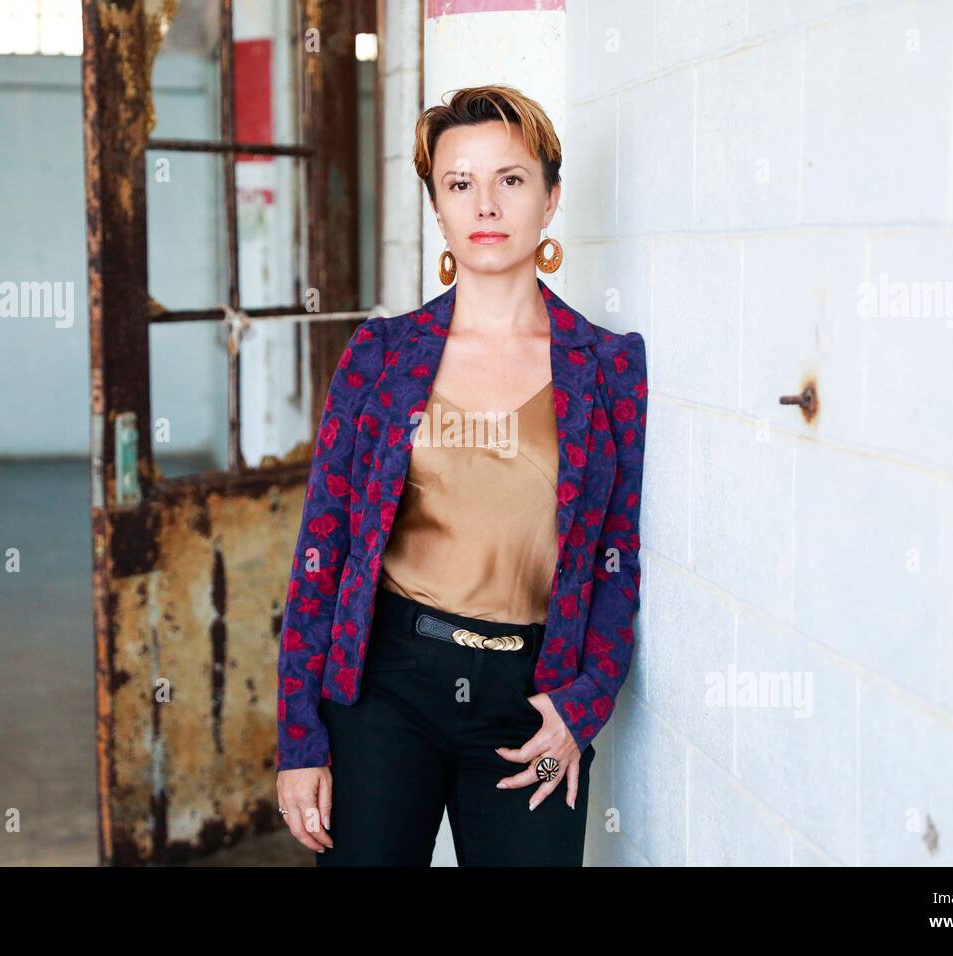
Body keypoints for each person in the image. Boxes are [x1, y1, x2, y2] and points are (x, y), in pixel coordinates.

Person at [275, 84, 648, 866]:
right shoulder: (381, 357)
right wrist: (299, 738)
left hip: (529, 701)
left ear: (550, 200)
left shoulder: (607, 369)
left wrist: (582, 706)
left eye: (511, 179)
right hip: (384, 688)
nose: (486, 203)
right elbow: (322, 554)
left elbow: (618, 556)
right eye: (459, 183)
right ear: (437, 208)